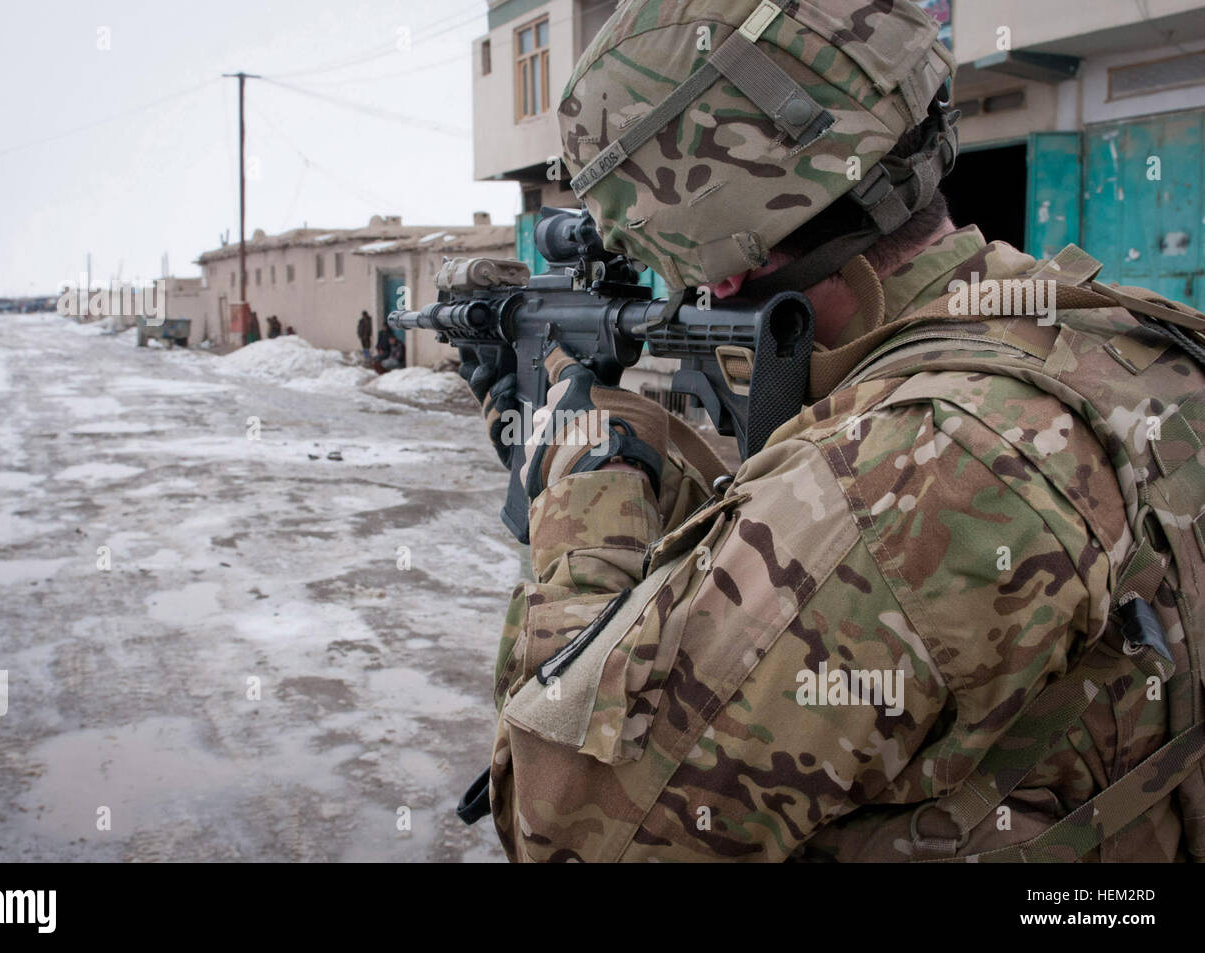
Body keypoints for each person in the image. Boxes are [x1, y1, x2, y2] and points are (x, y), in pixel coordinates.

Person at [464, 0, 1205, 863]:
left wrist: (583, 501)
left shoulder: (889, 481)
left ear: (727, 257)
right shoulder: (1131, 340)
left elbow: (563, 832)